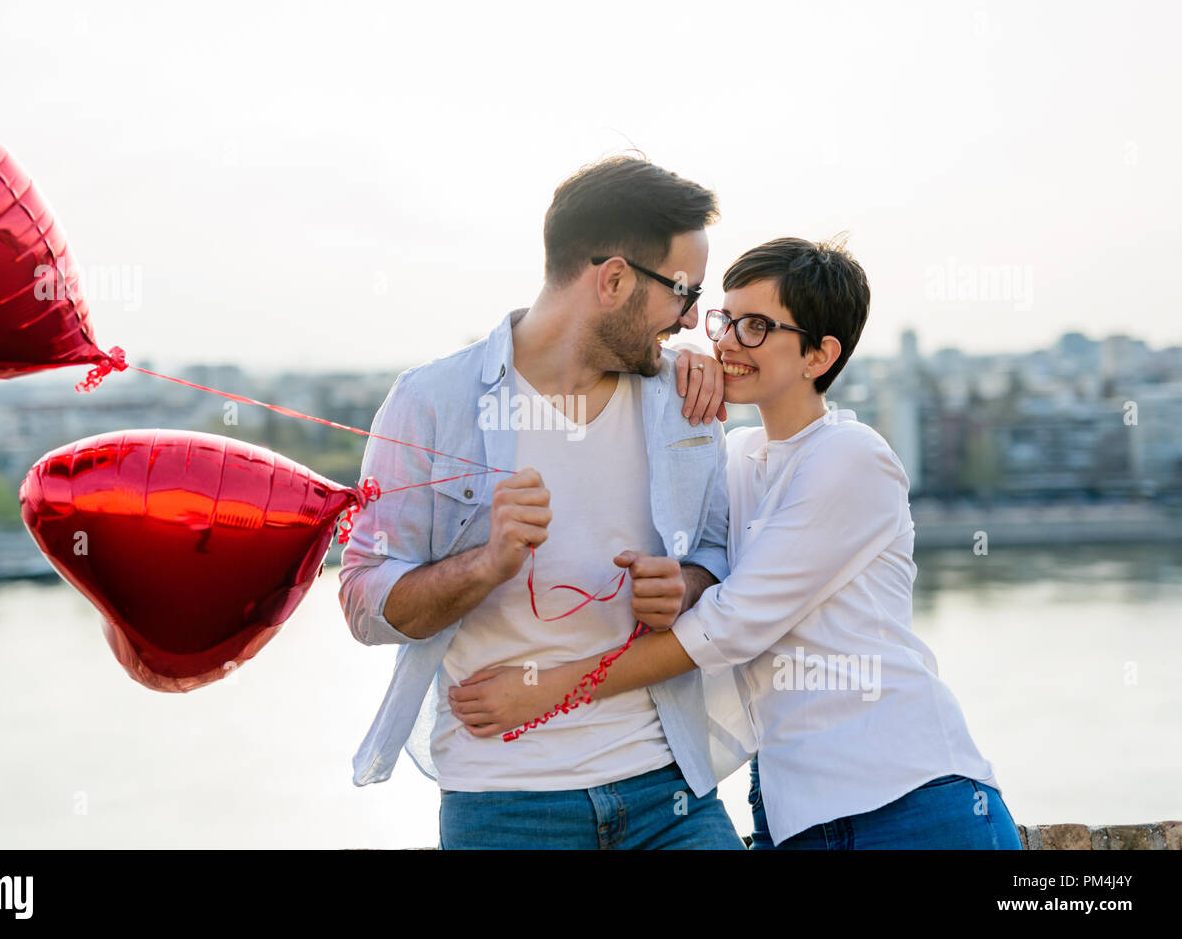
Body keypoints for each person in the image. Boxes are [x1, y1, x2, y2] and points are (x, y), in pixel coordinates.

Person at [449, 236, 1024, 850]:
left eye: (755, 327)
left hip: (910, 801)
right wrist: (686, 358)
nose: (727, 341)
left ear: (818, 356)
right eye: (725, 320)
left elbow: (727, 627)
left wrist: (545, 688)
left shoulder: (851, 458)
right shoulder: (738, 457)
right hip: (793, 814)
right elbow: (702, 560)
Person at [338, 155, 746, 849]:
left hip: (668, 789)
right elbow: (363, 603)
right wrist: (486, 564)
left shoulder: (687, 398)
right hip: (505, 807)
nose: (689, 320)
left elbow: (717, 553)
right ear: (614, 279)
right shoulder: (431, 403)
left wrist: (687, 584)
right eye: (683, 292)